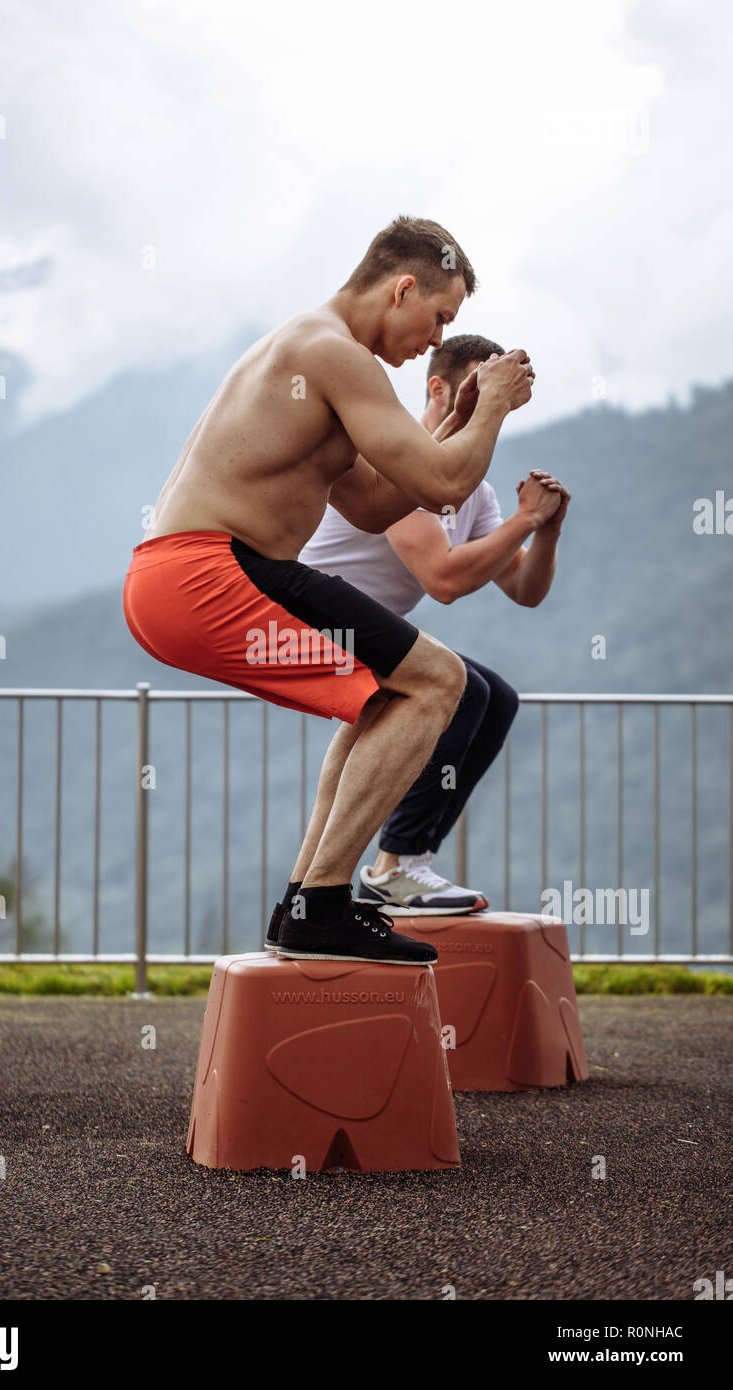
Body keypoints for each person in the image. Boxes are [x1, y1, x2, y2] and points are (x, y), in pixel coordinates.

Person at [123, 216, 536, 966]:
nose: (432, 339)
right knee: (441, 681)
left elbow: (381, 503)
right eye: (439, 316)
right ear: (403, 286)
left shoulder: (310, 355)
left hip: (174, 578)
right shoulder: (335, 355)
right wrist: (496, 406)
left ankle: (303, 904)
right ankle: (325, 901)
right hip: (210, 569)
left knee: (394, 698)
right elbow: (442, 482)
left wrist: (465, 417)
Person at [299, 335, 570, 916]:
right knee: (462, 689)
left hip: (372, 633)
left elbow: (524, 589)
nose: (482, 410)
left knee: (496, 698)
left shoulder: (476, 492)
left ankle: (405, 862)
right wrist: (523, 518)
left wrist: (542, 531)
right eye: (473, 395)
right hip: (313, 623)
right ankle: (388, 870)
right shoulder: (405, 460)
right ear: (438, 389)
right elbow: (443, 578)